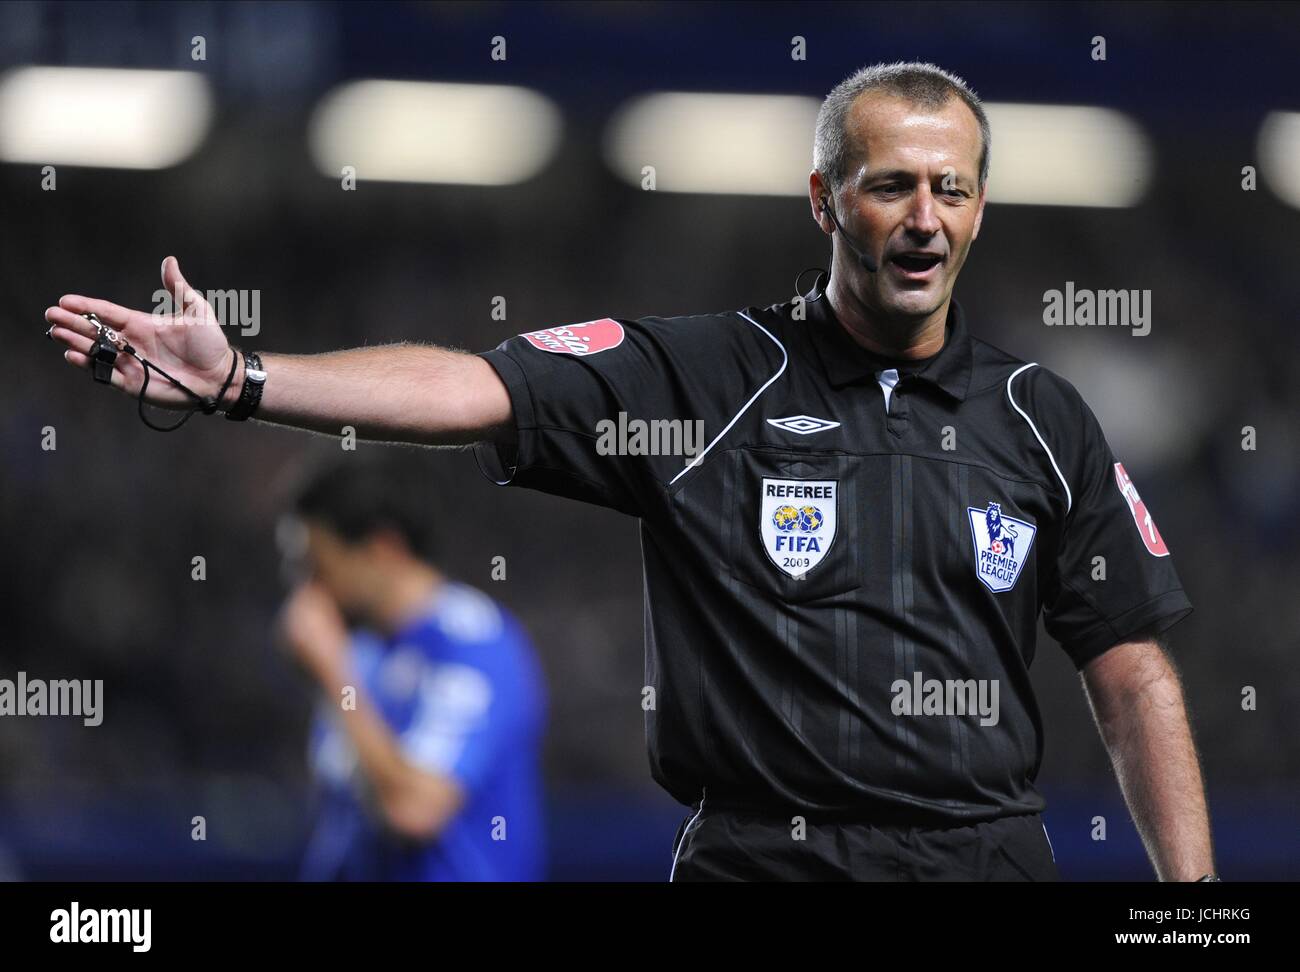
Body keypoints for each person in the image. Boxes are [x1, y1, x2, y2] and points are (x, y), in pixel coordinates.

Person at [45, 60, 1215, 882]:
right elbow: (473, 387)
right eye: (889, 184)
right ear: (824, 199)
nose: (922, 216)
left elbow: (1130, 675)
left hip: (986, 862)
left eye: (949, 188)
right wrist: (246, 377)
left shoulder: (1040, 418)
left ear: (978, 209)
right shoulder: (701, 379)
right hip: (765, 862)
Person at [278, 457, 546, 881]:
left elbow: (414, 809)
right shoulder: (362, 649)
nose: (307, 593)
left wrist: (332, 672)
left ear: (382, 549)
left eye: (317, 568)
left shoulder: (473, 645)